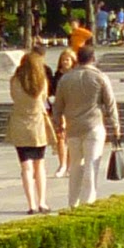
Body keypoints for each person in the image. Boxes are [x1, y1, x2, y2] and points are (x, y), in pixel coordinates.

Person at [55, 46, 122, 208]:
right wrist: (115, 125)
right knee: (92, 166)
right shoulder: (99, 77)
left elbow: (57, 106)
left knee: (76, 167)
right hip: (94, 126)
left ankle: (73, 203)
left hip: (73, 129)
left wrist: (58, 124)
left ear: (77, 59)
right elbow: (110, 103)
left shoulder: (66, 79)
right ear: (93, 58)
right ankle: (88, 203)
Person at [6, 51, 53, 214]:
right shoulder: (41, 82)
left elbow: (13, 97)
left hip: (19, 123)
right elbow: (45, 98)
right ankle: (42, 202)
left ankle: (31, 204)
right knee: (40, 164)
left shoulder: (14, 81)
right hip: (37, 124)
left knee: (26, 167)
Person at [49, 48, 76, 177]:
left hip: (73, 109)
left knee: (70, 138)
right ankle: (62, 164)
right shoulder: (57, 76)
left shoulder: (76, 75)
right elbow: (52, 91)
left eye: (68, 59)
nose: (65, 62)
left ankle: (70, 165)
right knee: (60, 137)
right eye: (63, 60)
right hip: (59, 109)